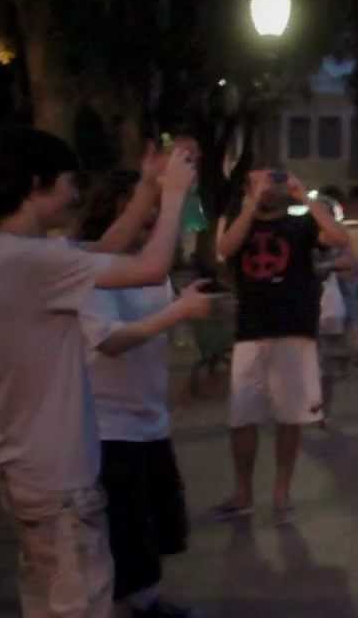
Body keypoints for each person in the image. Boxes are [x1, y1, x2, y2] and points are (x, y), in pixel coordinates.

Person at [0, 127, 195, 618]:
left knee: (49, 599)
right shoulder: (33, 260)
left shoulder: (5, 253)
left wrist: (147, 189)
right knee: (80, 604)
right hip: (58, 474)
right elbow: (151, 266)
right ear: (37, 184)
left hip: (30, 465)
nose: (76, 194)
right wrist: (176, 195)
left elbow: (106, 249)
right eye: (68, 182)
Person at [77, 171, 214, 618]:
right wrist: (178, 311)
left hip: (149, 417)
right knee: (125, 531)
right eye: (137, 208)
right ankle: (132, 606)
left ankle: (145, 602)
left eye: (152, 208)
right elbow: (110, 341)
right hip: (107, 423)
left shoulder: (151, 270)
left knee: (156, 529)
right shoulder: (87, 269)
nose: (149, 217)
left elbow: (162, 331)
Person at [212, 166, 350, 523]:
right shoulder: (240, 222)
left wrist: (306, 198)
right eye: (256, 182)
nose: (265, 188)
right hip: (250, 331)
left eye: (270, 181)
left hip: (294, 330)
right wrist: (249, 205)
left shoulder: (300, 224)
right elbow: (225, 249)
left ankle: (281, 493)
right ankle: (243, 492)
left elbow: (338, 238)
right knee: (242, 417)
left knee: (290, 417)